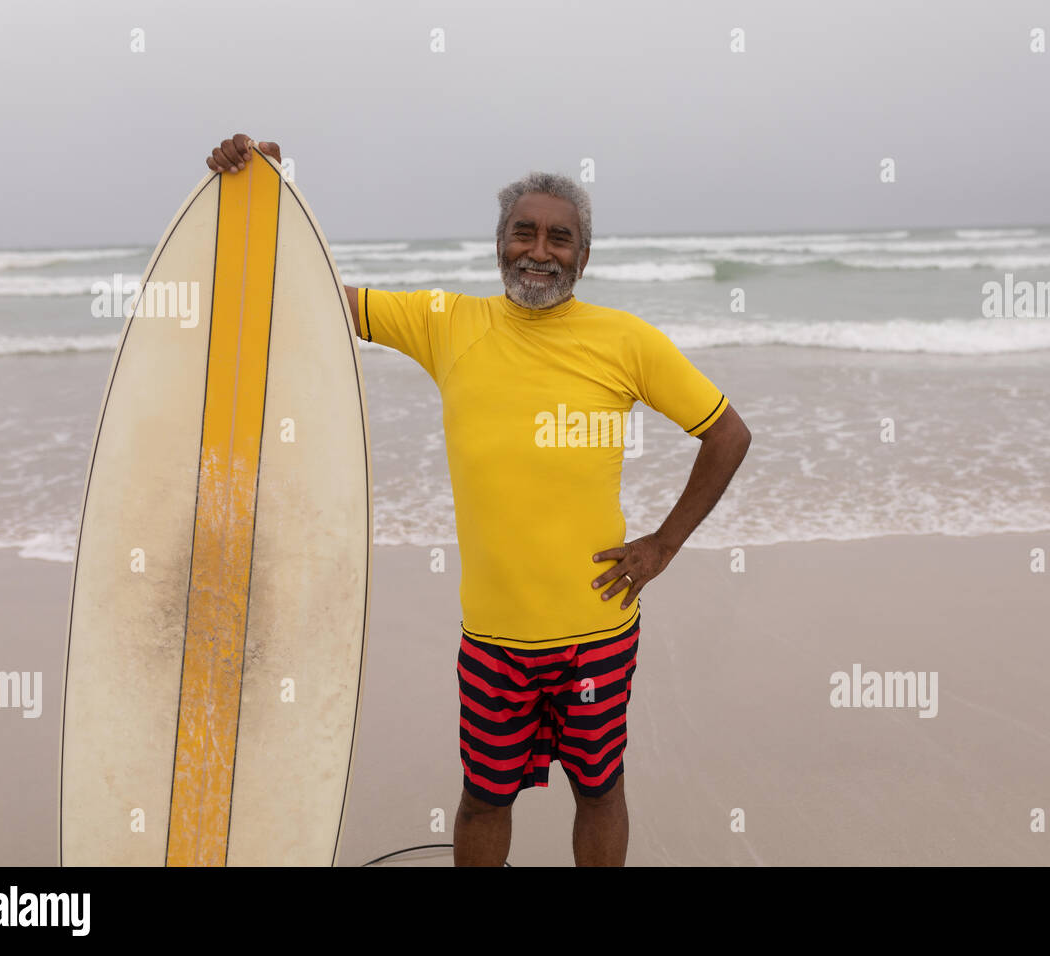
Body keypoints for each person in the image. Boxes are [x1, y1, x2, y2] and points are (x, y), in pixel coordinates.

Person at [207, 134, 752, 866]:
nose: (540, 249)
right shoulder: (447, 323)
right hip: (494, 643)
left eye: (560, 237)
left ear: (583, 258)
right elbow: (310, 300)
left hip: (597, 633)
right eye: (524, 232)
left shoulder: (626, 342)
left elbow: (727, 434)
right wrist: (254, 196)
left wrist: (662, 546)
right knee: (483, 799)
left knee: (600, 793)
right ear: (499, 245)